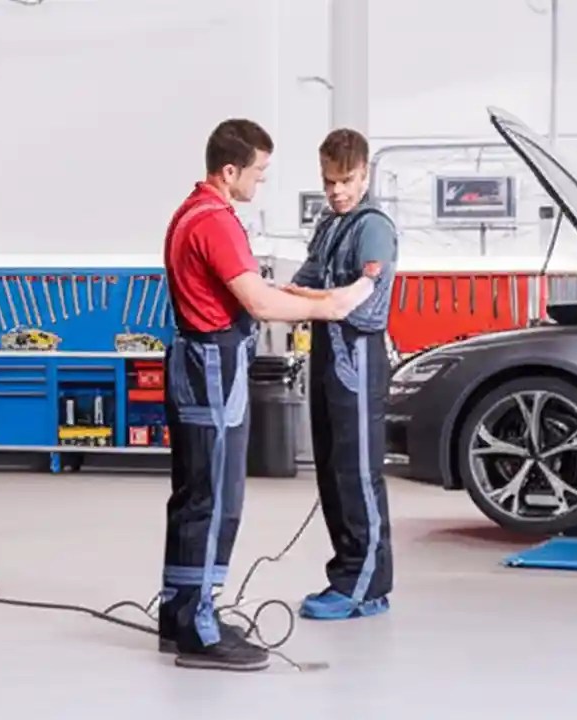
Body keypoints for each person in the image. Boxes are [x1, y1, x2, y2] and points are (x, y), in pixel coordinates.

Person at [157, 119, 378, 672]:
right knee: (216, 500)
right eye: (258, 171)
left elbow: (259, 290)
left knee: (193, 494)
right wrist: (328, 307)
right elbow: (256, 301)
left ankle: (180, 611)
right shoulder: (215, 222)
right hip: (213, 364)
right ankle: (199, 630)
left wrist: (309, 292)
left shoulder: (190, 211)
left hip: (197, 357)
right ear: (229, 171)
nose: (261, 181)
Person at [284, 128, 398, 621]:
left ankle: (367, 585)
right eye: (329, 181)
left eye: (346, 180)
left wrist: (315, 302)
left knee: (358, 472)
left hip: (359, 356)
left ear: (366, 174)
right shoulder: (329, 226)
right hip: (327, 356)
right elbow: (306, 282)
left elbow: (365, 307)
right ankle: (345, 574)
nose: (336, 191)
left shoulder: (373, 228)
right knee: (331, 471)